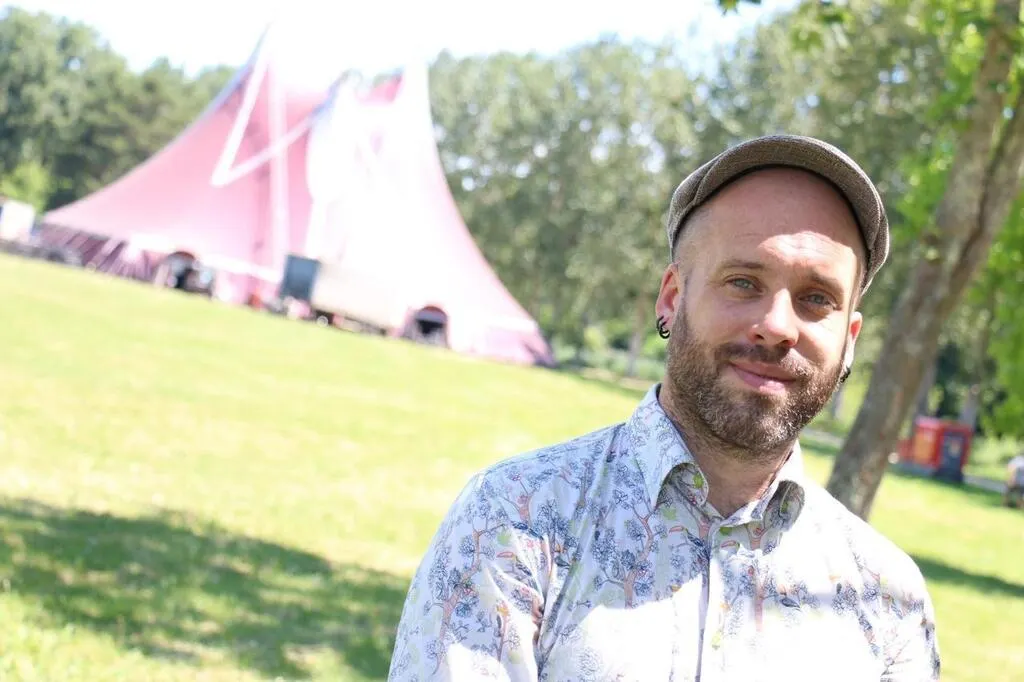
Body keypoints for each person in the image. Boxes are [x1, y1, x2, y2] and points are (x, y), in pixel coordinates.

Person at [388, 135, 941, 681]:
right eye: (743, 282)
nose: (776, 326)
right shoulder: (515, 522)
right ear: (672, 299)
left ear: (849, 338)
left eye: (816, 298)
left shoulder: (888, 601)